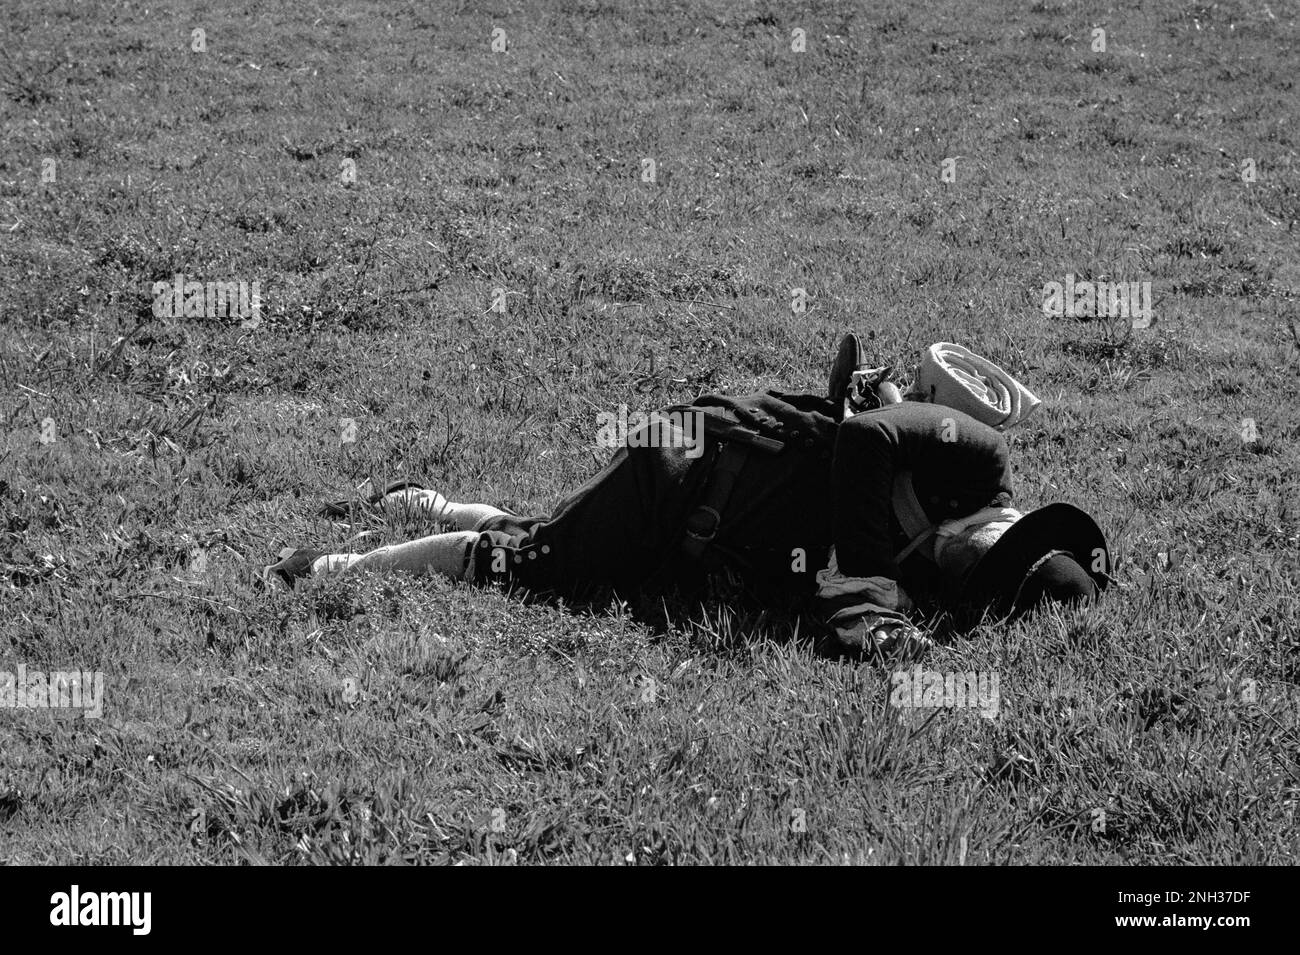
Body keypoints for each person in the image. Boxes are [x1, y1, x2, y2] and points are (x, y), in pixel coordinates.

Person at [263, 337, 1111, 658]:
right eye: (992, 547)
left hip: (704, 538)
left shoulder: (933, 573)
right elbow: (864, 438)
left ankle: (432, 504)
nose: (972, 555)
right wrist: (870, 592)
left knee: (557, 550)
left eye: (980, 576)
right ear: (1012, 522)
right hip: (692, 462)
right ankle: (331, 564)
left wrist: (873, 617)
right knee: (532, 567)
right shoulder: (979, 458)